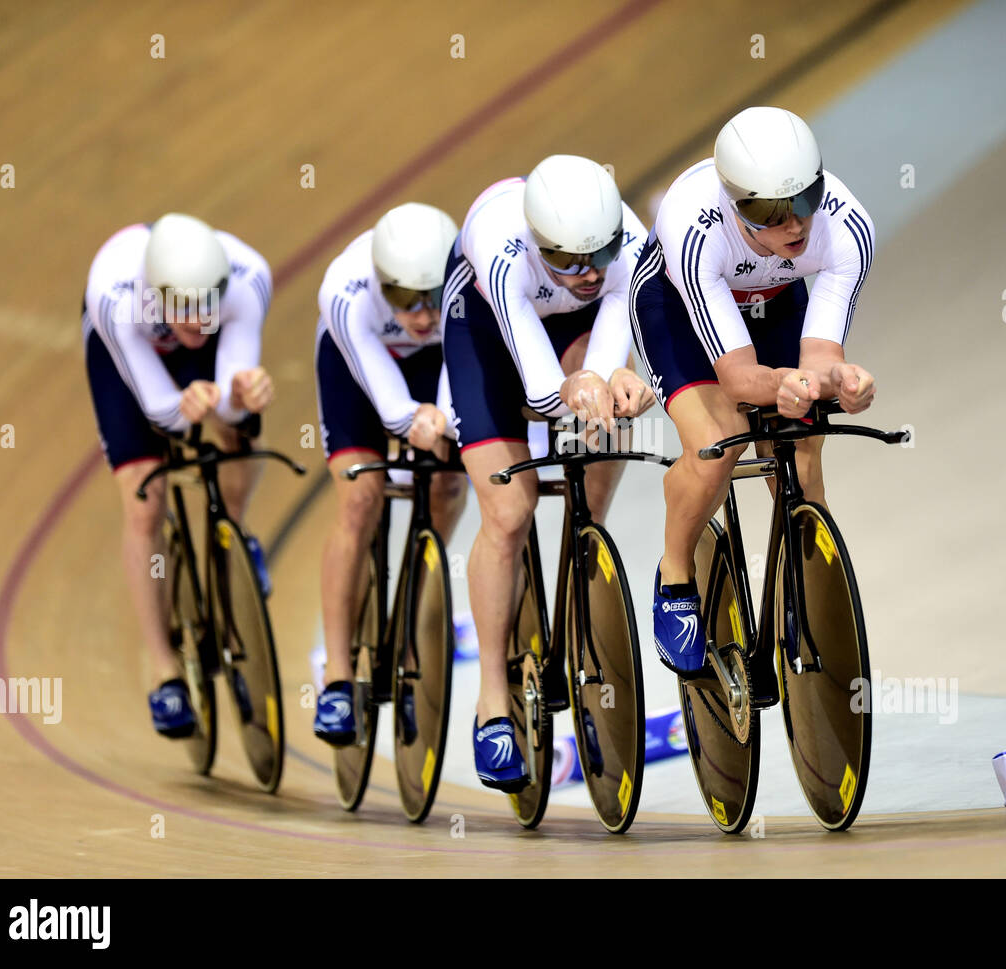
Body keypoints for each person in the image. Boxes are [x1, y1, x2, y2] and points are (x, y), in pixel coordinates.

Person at [629, 106, 878, 675]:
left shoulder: (848, 226)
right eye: (769, 211)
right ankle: (675, 576)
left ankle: (804, 595)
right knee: (720, 443)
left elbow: (820, 360)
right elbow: (740, 380)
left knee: (803, 449)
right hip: (680, 311)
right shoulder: (694, 225)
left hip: (773, 299)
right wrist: (785, 385)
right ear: (736, 202)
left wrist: (842, 382)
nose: (794, 225)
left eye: (805, 201)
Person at [442, 154, 653, 791]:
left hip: (575, 328)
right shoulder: (502, 251)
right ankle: (491, 706)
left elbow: (610, 342)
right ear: (538, 244)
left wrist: (616, 383)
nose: (588, 273)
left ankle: (582, 551)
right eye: (567, 260)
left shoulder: (632, 244)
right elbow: (540, 392)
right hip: (483, 328)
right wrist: (584, 385)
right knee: (508, 511)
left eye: (599, 255)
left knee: (607, 420)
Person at [81, 213, 275, 736]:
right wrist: (183, 407)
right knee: (145, 495)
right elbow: (159, 409)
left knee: (239, 441)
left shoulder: (246, 278)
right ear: (157, 292)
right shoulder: (116, 297)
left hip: (188, 352)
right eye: (186, 309)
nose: (199, 317)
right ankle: (164, 670)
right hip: (131, 355)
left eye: (206, 305)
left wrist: (240, 396)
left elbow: (232, 407)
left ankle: (232, 533)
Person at [311, 202, 468, 746]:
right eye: (405, 299)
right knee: (360, 496)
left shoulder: (469, 279)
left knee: (449, 480)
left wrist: (444, 420)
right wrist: (409, 421)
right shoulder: (344, 290)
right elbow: (387, 403)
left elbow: (462, 371)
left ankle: (414, 605)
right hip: (358, 369)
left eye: (433, 298)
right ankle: (335, 675)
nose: (422, 314)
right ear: (381, 284)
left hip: (436, 366)